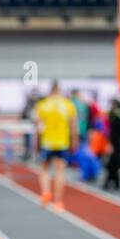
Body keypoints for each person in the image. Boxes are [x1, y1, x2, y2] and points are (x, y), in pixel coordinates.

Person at [32, 82, 77, 211]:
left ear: (50, 91)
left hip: (47, 142)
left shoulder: (42, 105)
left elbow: (38, 128)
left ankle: (46, 192)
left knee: (44, 169)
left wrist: (36, 143)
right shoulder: (68, 105)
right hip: (62, 143)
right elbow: (73, 125)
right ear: (60, 90)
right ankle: (58, 201)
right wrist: (74, 140)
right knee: (60, 172)